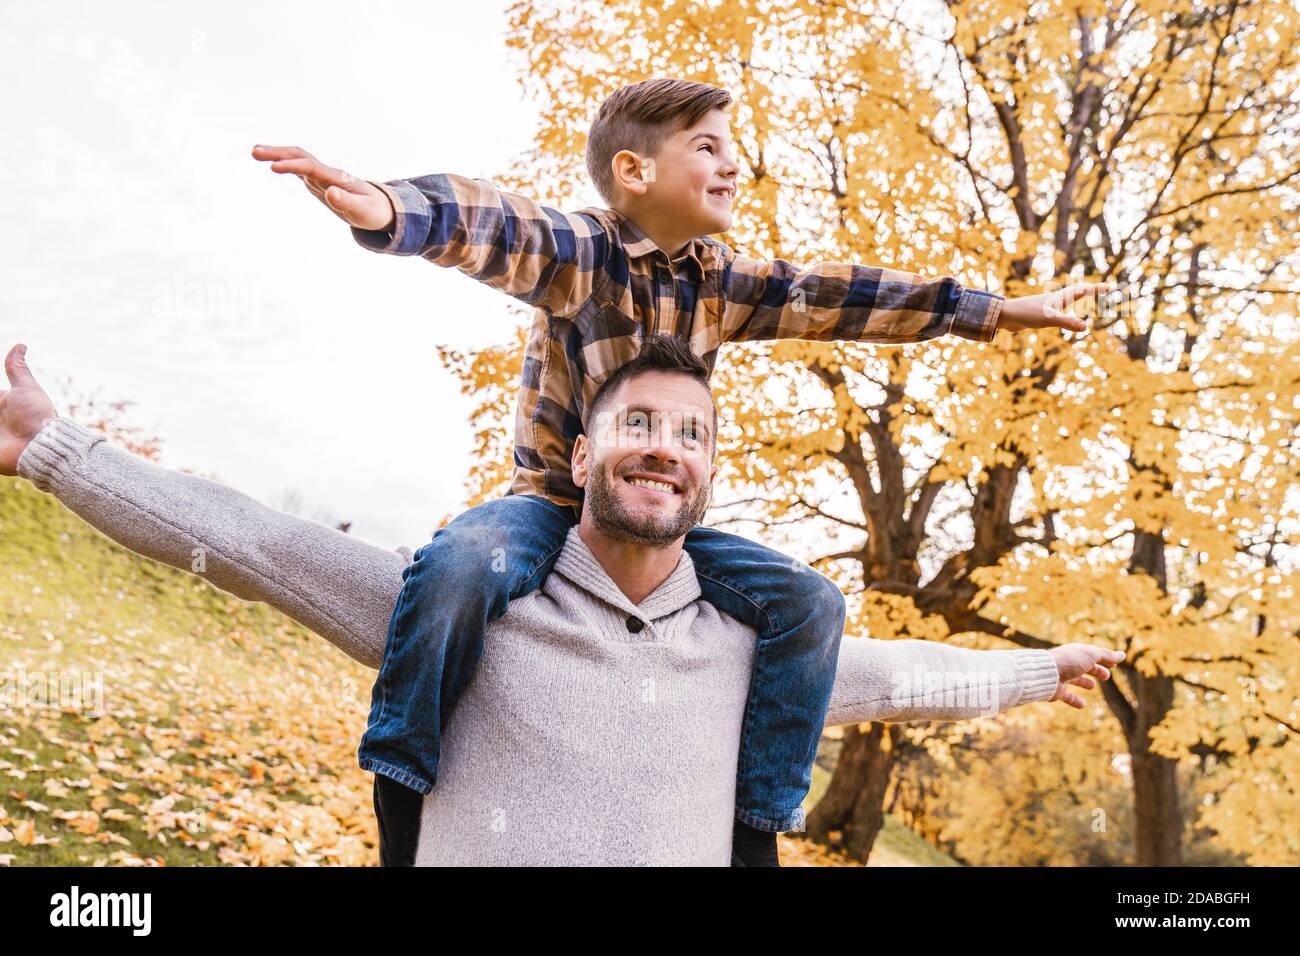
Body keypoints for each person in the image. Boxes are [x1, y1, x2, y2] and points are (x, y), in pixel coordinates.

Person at [249, 77, 1114, 854]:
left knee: (810, 602)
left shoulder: (726, 283)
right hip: (552, 509)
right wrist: (393, 212)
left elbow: (844, 295)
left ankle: (755, 823)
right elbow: (495, 221)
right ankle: (403, 777)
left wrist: (1000, 311)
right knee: (461, 564)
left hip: (662, 530)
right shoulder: (578, 254)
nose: (733, 167)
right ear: (632, 171)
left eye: (731, 150)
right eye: (708, 148)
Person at [1, 340, 1123, 866]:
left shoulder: (750, 644)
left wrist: (1041, 667)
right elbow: (248, 539)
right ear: (582, 451)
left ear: (710, 475)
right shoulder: (465, 600)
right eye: (640, 422)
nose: (664, 449)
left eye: (693, 434)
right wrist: (52, 447)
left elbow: (895, 675)